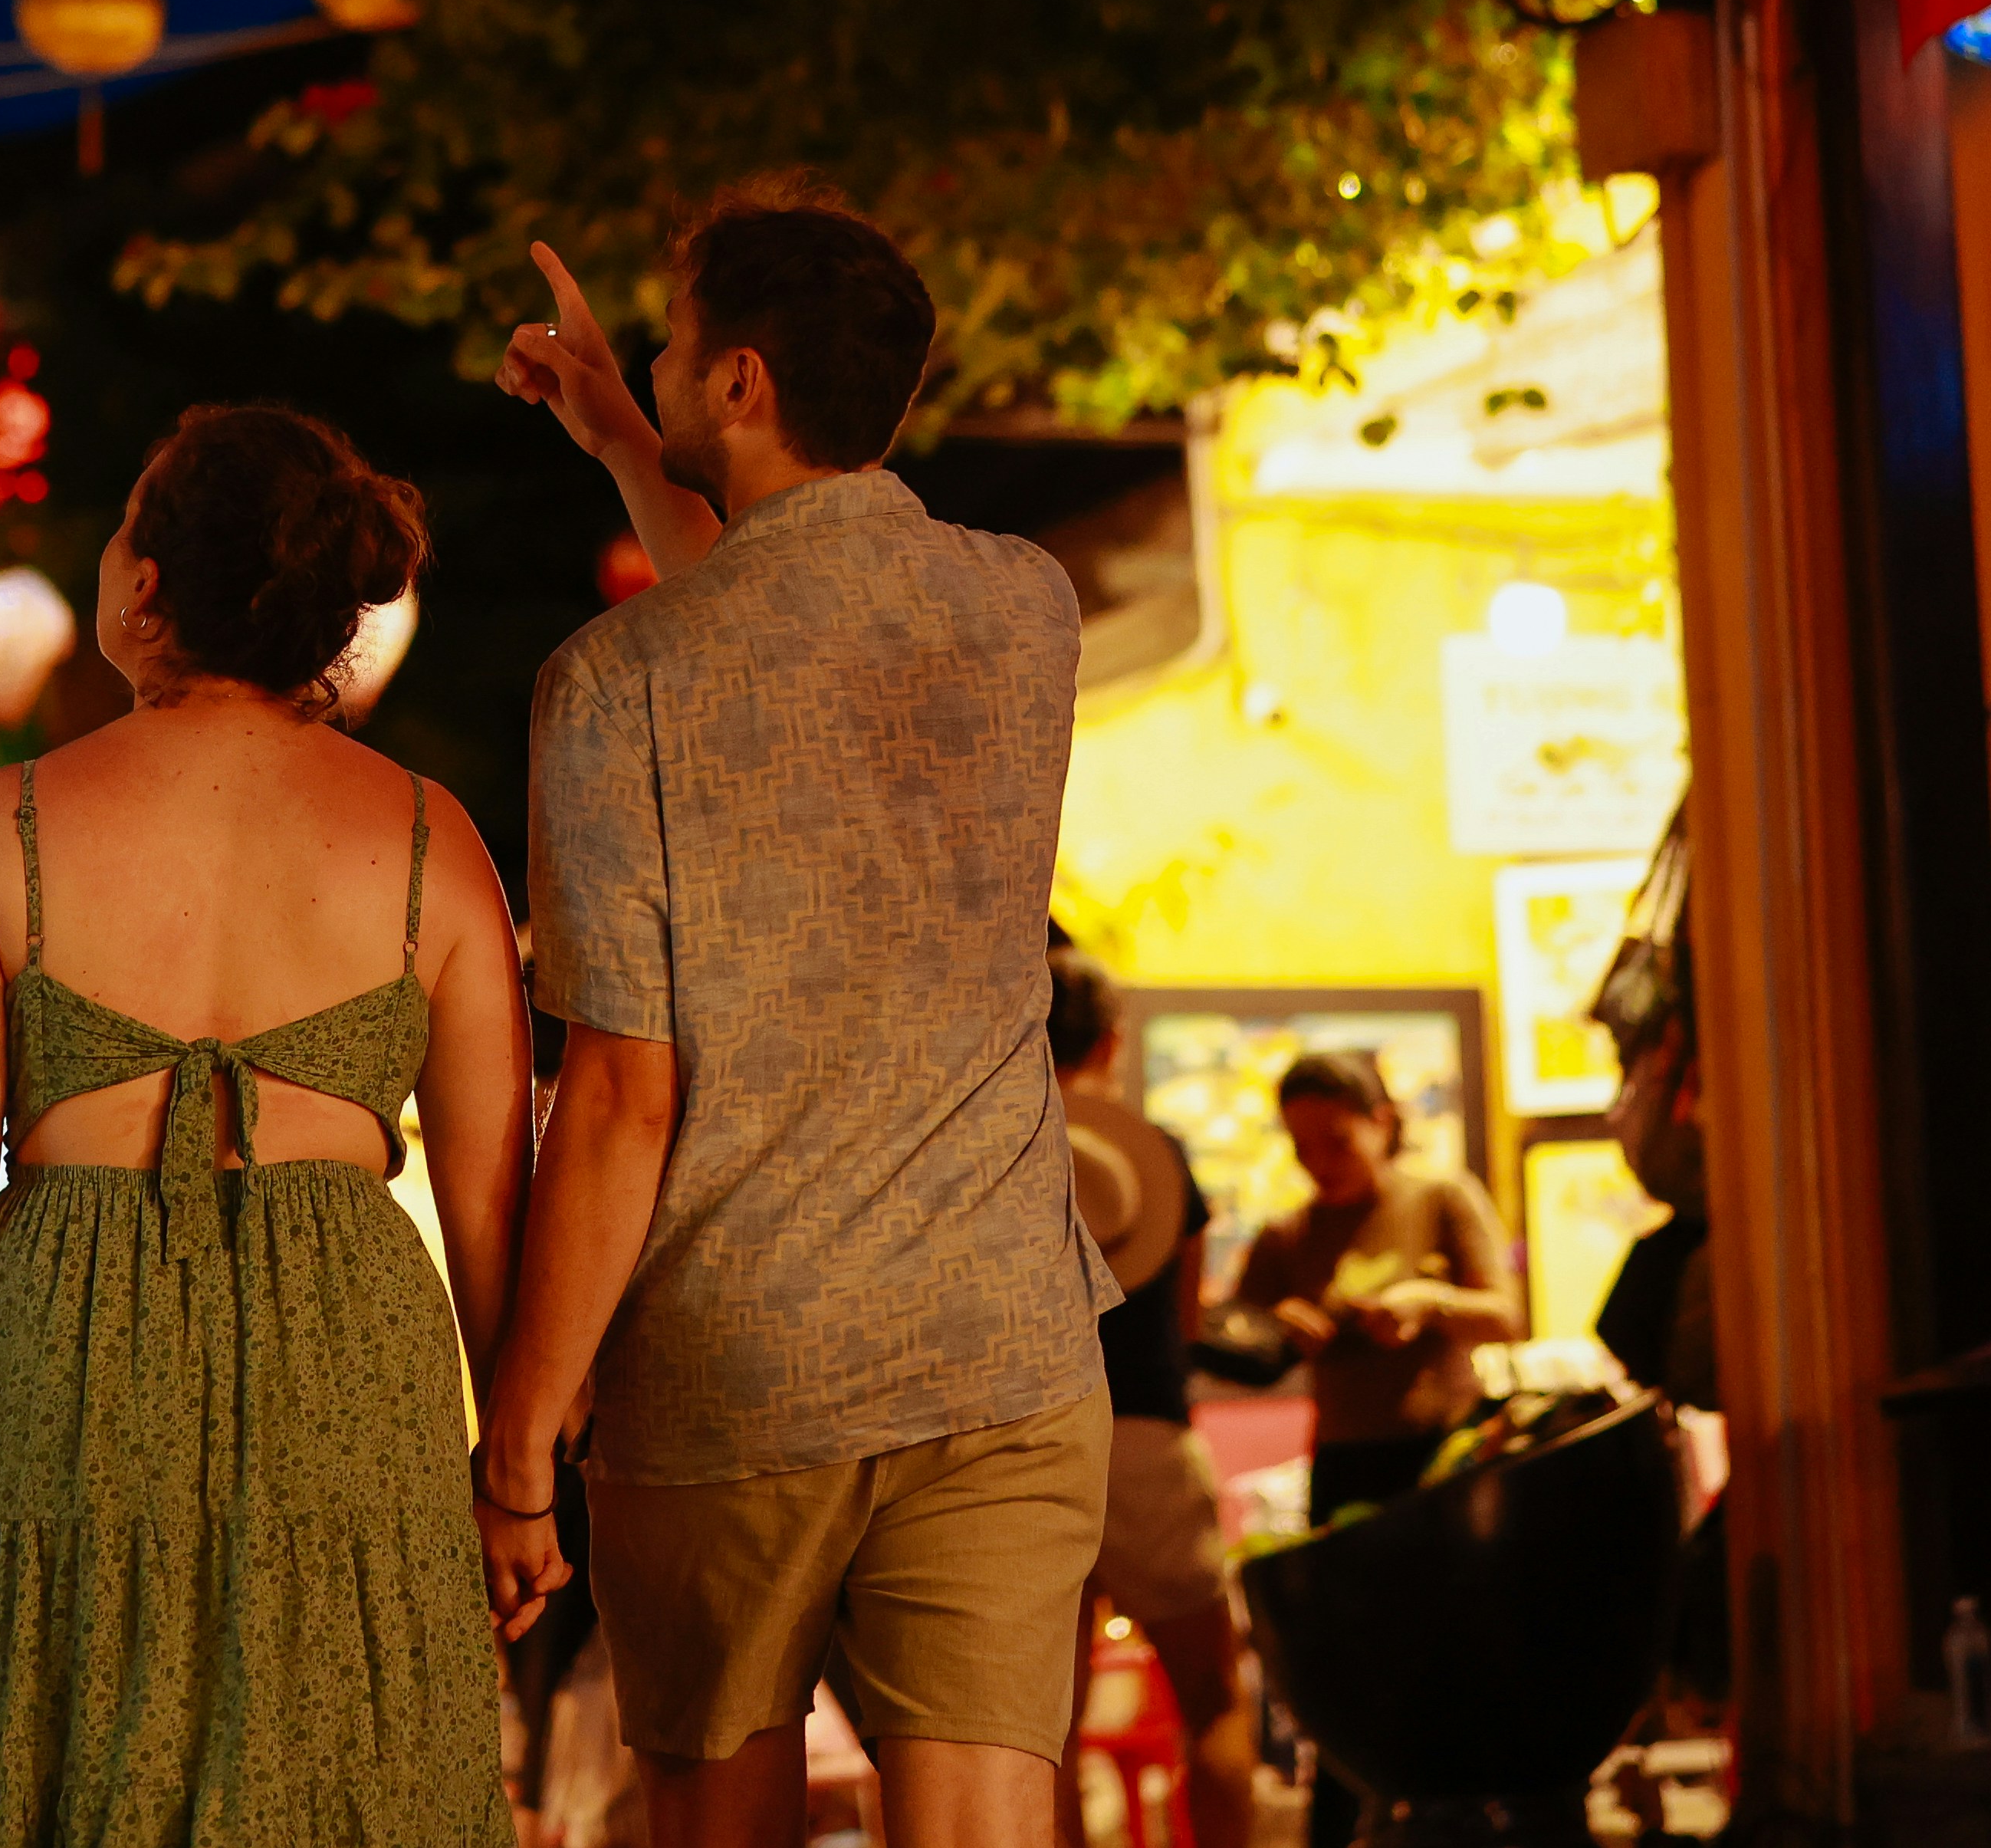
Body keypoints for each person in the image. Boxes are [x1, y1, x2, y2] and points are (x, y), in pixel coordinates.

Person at [0, 404, 529, 1848]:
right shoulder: (433, 840)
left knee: (56, 1760)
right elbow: (499, 1200)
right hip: (352, 1378)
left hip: (63, 1356)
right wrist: (516, 1475)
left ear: (141, 589)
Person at [477, 196, 1115, 1848]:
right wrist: (634, 444)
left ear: (740, 379)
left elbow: (618, 1094)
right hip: (999, 1342)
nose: (663, 361)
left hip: (728, 1368)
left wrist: (520, 1435)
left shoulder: (608, 681)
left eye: (675, 343)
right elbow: (791, 624)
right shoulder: (1025, 606)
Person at [1050, 962, 1250, 1848]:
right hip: (1145, 1436)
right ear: (1111, 1039)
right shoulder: (1153, 1153)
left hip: (1032, 1443)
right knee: (1208, 1695)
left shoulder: (991, 1139)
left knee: (1040, 1728)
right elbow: (1188, 1319)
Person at [1212, 1050, 1515, 1529]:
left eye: (1337, 1143)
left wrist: (1428, 1304)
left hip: (1448, 1444)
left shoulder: (1441, 1198)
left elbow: (1507, 1317)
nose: (1318, 1164)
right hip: (1344, 1457)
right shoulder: (1287, 1235)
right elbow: (1227, 1340)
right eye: (1301, 1148)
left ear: (1382, 1123)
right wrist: (1276, 1326)